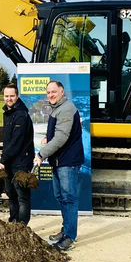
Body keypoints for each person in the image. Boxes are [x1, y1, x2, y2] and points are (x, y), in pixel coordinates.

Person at [34, 80, 83, 251]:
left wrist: (41, 154)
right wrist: (48, 139)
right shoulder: (58, 108)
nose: (50, 95)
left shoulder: (67, 109)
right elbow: (60, 133)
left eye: (54, 92)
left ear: (62, 92)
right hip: (59, 161)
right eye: (48, 93)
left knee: (69, 199)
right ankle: (66, 230)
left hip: (67, 162)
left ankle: (70, 237)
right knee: (61, 196)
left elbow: (62, 138)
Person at [0, 84, 35, 225]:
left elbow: (17, 141)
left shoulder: (21, 115)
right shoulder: (8, 113)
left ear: (17, 96)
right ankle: (13, 221)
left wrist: (3, 159)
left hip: (21, 161)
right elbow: (9, 140)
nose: (9, 99)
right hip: (10, 161)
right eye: (6, 96)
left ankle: (22, 226)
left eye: (12, 96)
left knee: (22, 195)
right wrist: (4, 154)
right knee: (11, 193)